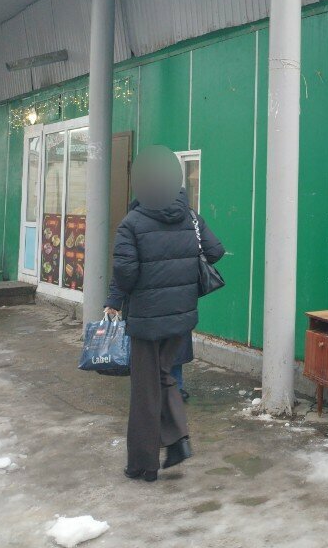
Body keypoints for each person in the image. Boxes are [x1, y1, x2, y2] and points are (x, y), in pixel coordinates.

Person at [107, 146, 224, 482]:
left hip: (147, 321)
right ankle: (177, 442)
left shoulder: (132, 222)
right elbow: (214, 252)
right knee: (164, 375)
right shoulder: (190, 216)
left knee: (145, 390)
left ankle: (143, 464)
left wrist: (116, 299)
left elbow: (125, 275)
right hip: (182, 316)